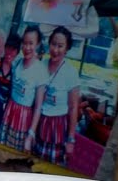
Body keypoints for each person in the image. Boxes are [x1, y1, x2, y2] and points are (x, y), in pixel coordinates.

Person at [29, 26, 81, 166]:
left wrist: (71, 139)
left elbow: (73, 108)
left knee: (51, 169)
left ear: (67, 48)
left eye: (60, 46)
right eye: (53, 44)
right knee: (33, 164)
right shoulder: (41, 65)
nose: (55, 50)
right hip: (39, 122)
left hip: (57, 127)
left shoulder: (71, 73)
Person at [0, 25, 46, 151]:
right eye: (24, 43)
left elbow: (37, 107)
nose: (27, 48)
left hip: (23, 120)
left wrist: (30, 135)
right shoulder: (17, 63)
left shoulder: (41, 71)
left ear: (38, 44)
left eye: (31, 43)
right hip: (9, 112)